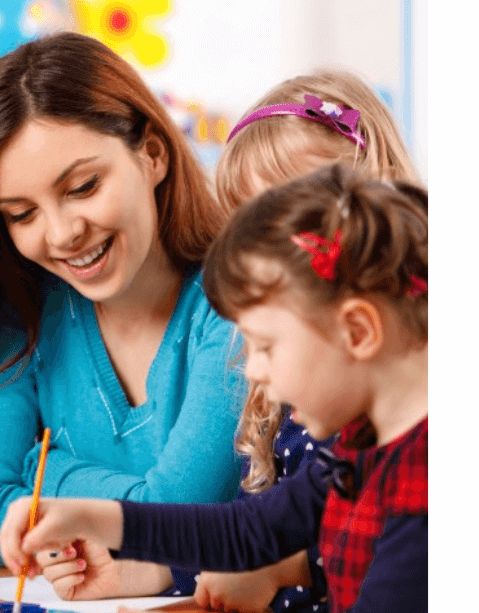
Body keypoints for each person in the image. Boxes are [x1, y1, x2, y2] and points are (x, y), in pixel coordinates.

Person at [0, 165, 428, 613]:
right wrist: (86, 515)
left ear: (357, 332)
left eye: (264, 346)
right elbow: (250, 532)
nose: (253, 371)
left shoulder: (423, 495)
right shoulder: (360, 452)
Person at [0, 31, 245, 596]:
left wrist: (39, 474)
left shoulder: (235, 308)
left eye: (83, 187)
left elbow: (178, 518)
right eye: (22, 214)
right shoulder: (19, 315)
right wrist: (125, 508)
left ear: (152, 154)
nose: (62, 233)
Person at [182, 69, 424, 613]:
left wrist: (280, 571)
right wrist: (137, 560)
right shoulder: (282, 360)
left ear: (372, 192)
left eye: (285, 217)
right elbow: (261, 529)